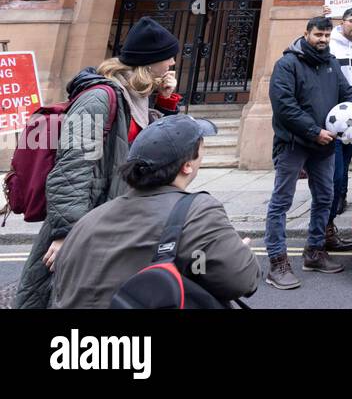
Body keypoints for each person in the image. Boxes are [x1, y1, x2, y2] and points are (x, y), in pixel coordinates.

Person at [15, 17, 182, 309]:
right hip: (88, 221)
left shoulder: (137, 98)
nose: (171, 62)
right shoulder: (98, 99)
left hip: (116, 219)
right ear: (150, 61)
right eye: (167, 56)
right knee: (62, 299)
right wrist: (65, 234)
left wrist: (166, 103)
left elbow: (153, 148)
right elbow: (71, 171)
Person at [52, 114, 261, 308]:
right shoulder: (199, 212)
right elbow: (242, 281)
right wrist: (238, 254)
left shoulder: (87, 222)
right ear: (187, 165)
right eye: (202, 146)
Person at [264, 16, 352, 290]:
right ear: (306, 34)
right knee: (281, 203)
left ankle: (314, 252)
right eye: (318, 35)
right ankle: (277, 262)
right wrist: (313, 131)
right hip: (294, 144)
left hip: (324, 145)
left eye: (326, 35)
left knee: (325, 197)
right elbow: (284, 106)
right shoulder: (287, 64)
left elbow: (347, 92)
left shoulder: (330, 63)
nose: (322, 40)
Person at [326, 6, 352, 252]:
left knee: (340, 176)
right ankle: (324, 229)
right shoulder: (330, 44)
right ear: (342, 22)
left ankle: (327, 229)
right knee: (333, 175)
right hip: (333, 120)